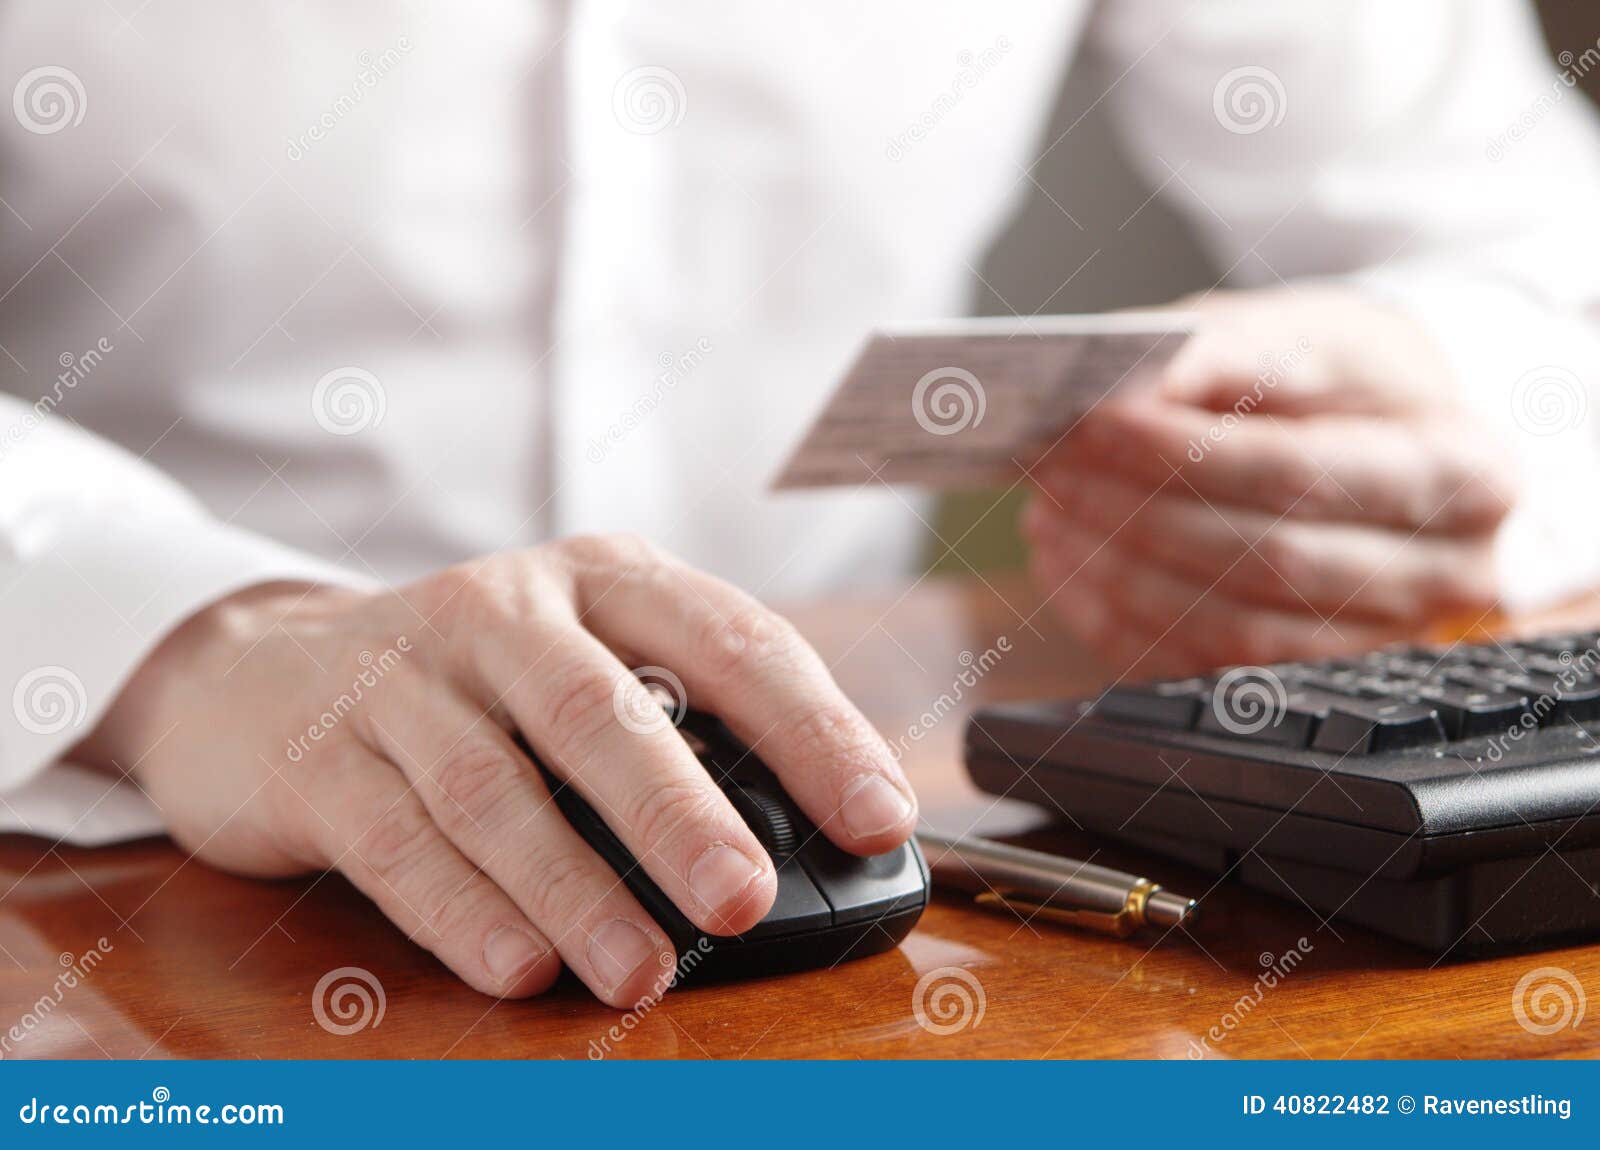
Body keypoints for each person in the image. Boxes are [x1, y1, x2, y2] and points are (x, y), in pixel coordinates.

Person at [3, 1, 1598, 1006]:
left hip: (847, 906)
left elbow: (1533, 239)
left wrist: (1426, 390)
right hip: (117, 888)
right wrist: (186, 632)